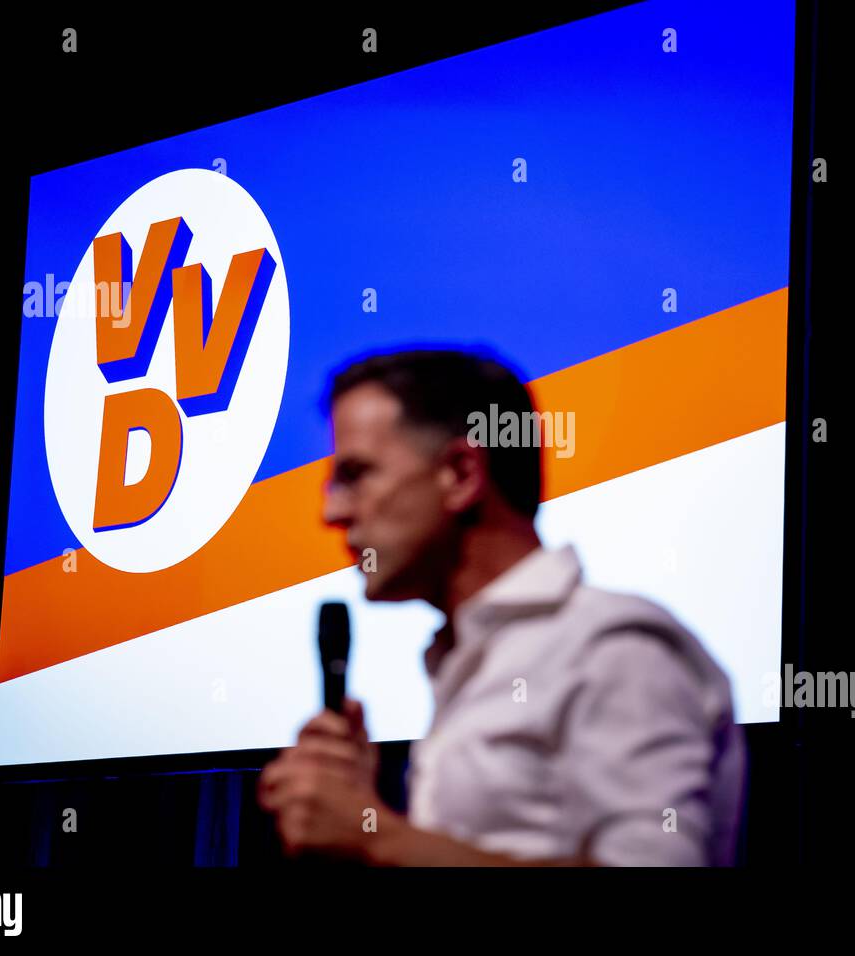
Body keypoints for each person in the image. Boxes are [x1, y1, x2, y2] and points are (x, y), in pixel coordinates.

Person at [257, 349, 746, 865]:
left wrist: (379, 840)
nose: (331, 511)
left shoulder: (611, 647)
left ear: (462, 474)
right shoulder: (471, 661)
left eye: (355, 474)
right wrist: (362, 818)